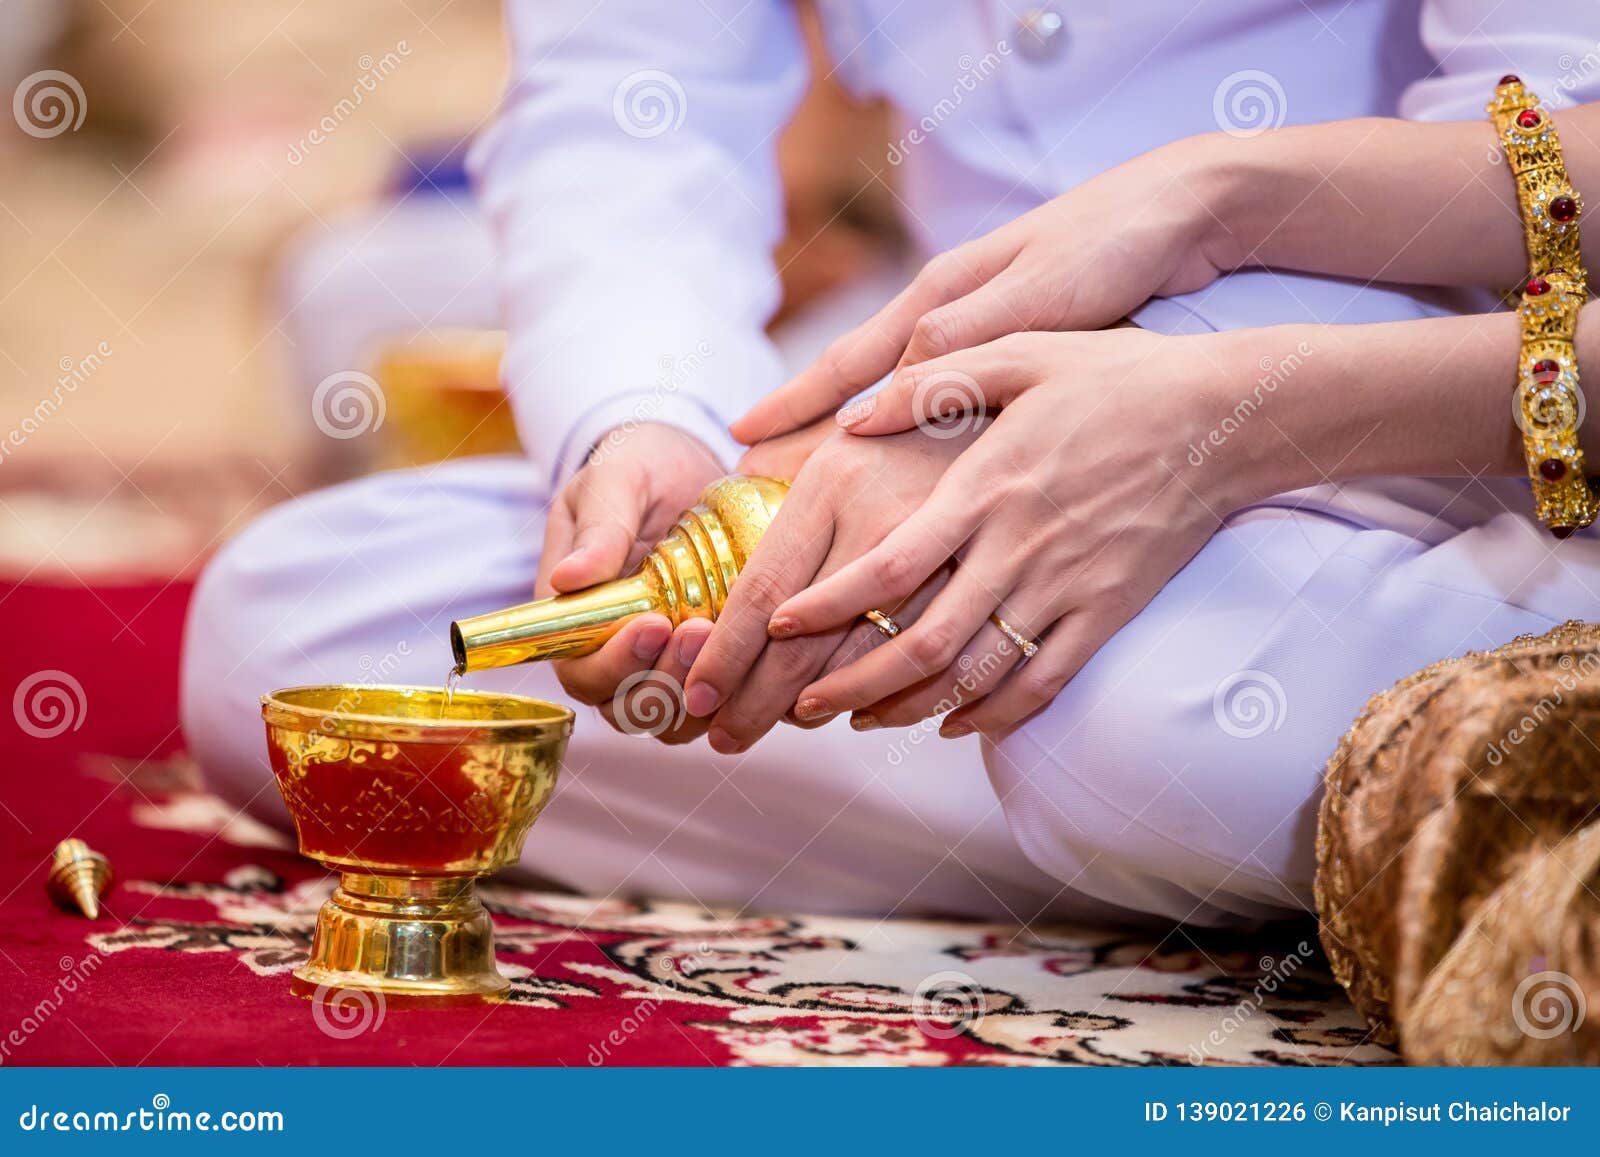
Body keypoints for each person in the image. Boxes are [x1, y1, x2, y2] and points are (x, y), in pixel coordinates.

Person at [183, 1, 1600, 928]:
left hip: (1416, 414)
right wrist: (652, 429)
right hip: (908, 404)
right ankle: (1179, 792)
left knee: (1112, 725)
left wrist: (1046, 400)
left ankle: (1146, 770)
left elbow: (1541, 182)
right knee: (288, 648)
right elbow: (628, 93)